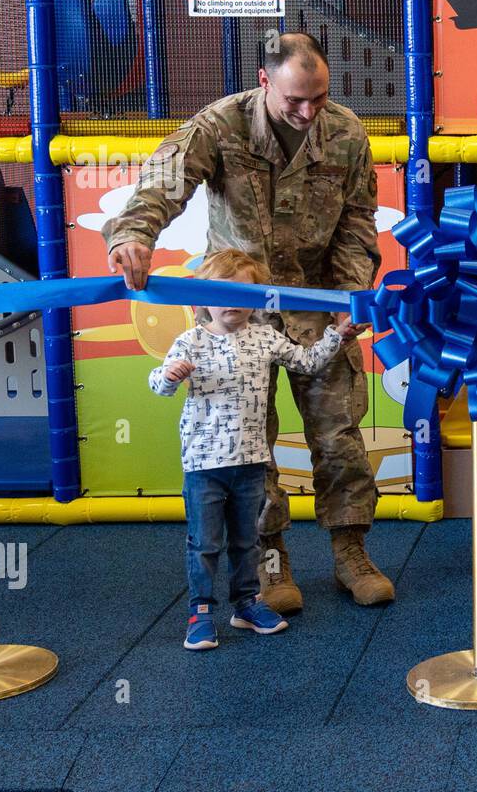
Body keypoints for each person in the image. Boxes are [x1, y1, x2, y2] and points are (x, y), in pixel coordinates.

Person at [103, 32, 391, 612]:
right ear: (265, 82)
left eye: (319, 97)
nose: (309, 112)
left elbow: (359, 219)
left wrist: (352, 293)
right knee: (247, 439)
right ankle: (268, 557)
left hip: (317, 302)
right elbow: (163, 183)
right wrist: (134, 236)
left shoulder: (347, 132)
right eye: (295, 101)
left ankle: (350, 551)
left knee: (339, 432)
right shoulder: (221, 124)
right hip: (237, 308)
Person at [149, 250, 357, 650]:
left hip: (250, 461)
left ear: (260, 298)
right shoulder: (190, 342)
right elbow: (159, 385)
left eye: (246, 292)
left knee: (248, 540)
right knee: (205, 542)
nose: (235, 301)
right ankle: (201, 611)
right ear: (201, 300)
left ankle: (246, 603)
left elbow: (307, 361)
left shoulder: (264, 337)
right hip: (204, 464)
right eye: (224, 292)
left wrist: (339, 334)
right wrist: (169, 375)